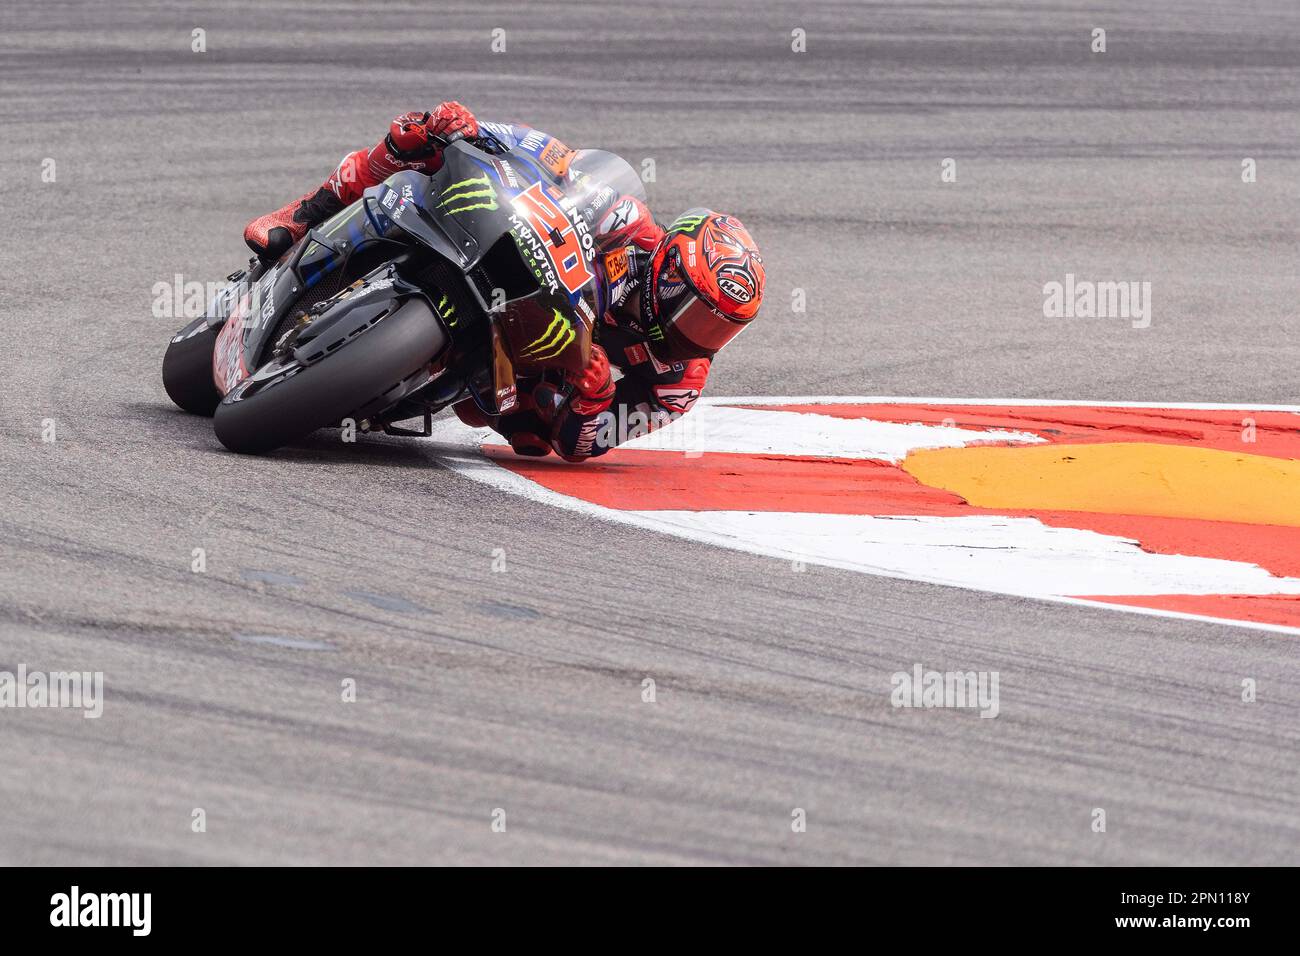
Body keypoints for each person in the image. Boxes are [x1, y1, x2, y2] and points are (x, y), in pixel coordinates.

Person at [243, 102, 765, 460]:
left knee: (532, 439)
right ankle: (305, 215)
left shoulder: (679, 385)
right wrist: (470, 130)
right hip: (508, 261)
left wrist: (592, 397)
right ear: (669, 272)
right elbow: (553, 158)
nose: (699, 336)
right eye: (696, 312)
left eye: (719, 330)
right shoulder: (625, 218)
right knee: (418, 138)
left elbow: (587, 445)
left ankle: (405, 377)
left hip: (524, 374)